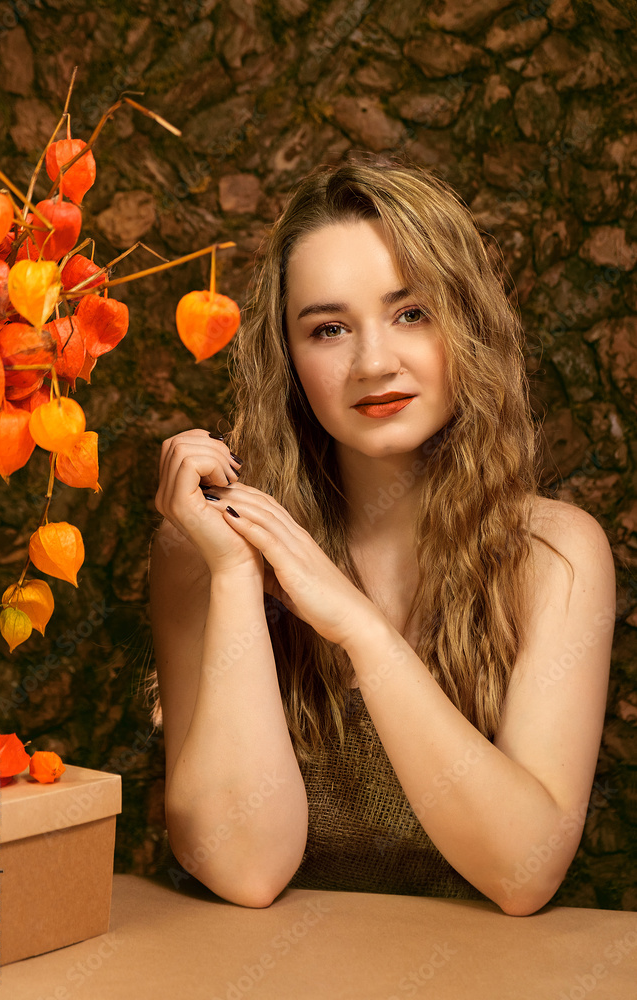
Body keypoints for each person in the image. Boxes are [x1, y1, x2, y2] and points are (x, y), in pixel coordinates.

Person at [145, 158, 616, 915]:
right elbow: (243, 868)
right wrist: (235, 578)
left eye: (411, 313)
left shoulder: (552, 555)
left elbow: (523, 873)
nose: (372, 363)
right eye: (328, 329)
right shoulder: (200, 551)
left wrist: (359, 630)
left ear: (467, 322)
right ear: (288, 360)